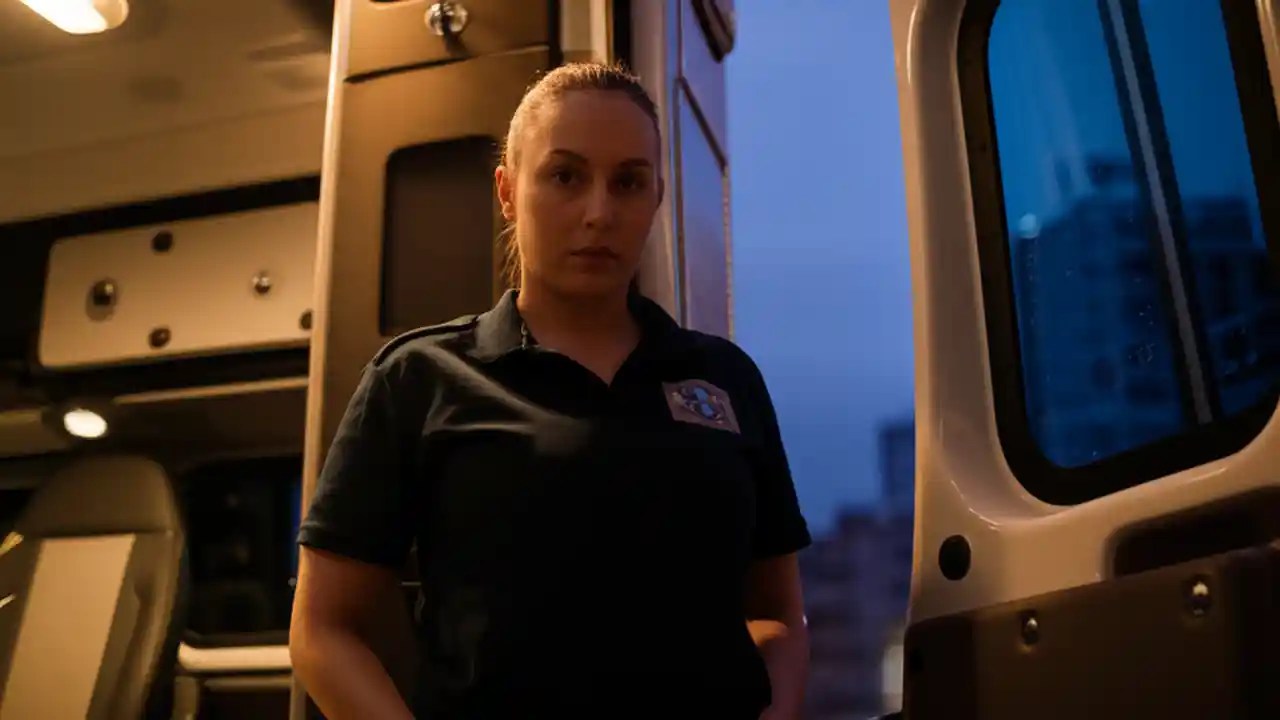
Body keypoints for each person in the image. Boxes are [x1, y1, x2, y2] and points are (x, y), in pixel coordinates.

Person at [289, 61, 812, 719]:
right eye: (565, 176)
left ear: (656, 198)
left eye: (628, 182)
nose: (599, 212)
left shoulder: (725, 380)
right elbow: (324, 630)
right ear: (507, 191)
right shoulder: (420, 378)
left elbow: (777, 615)